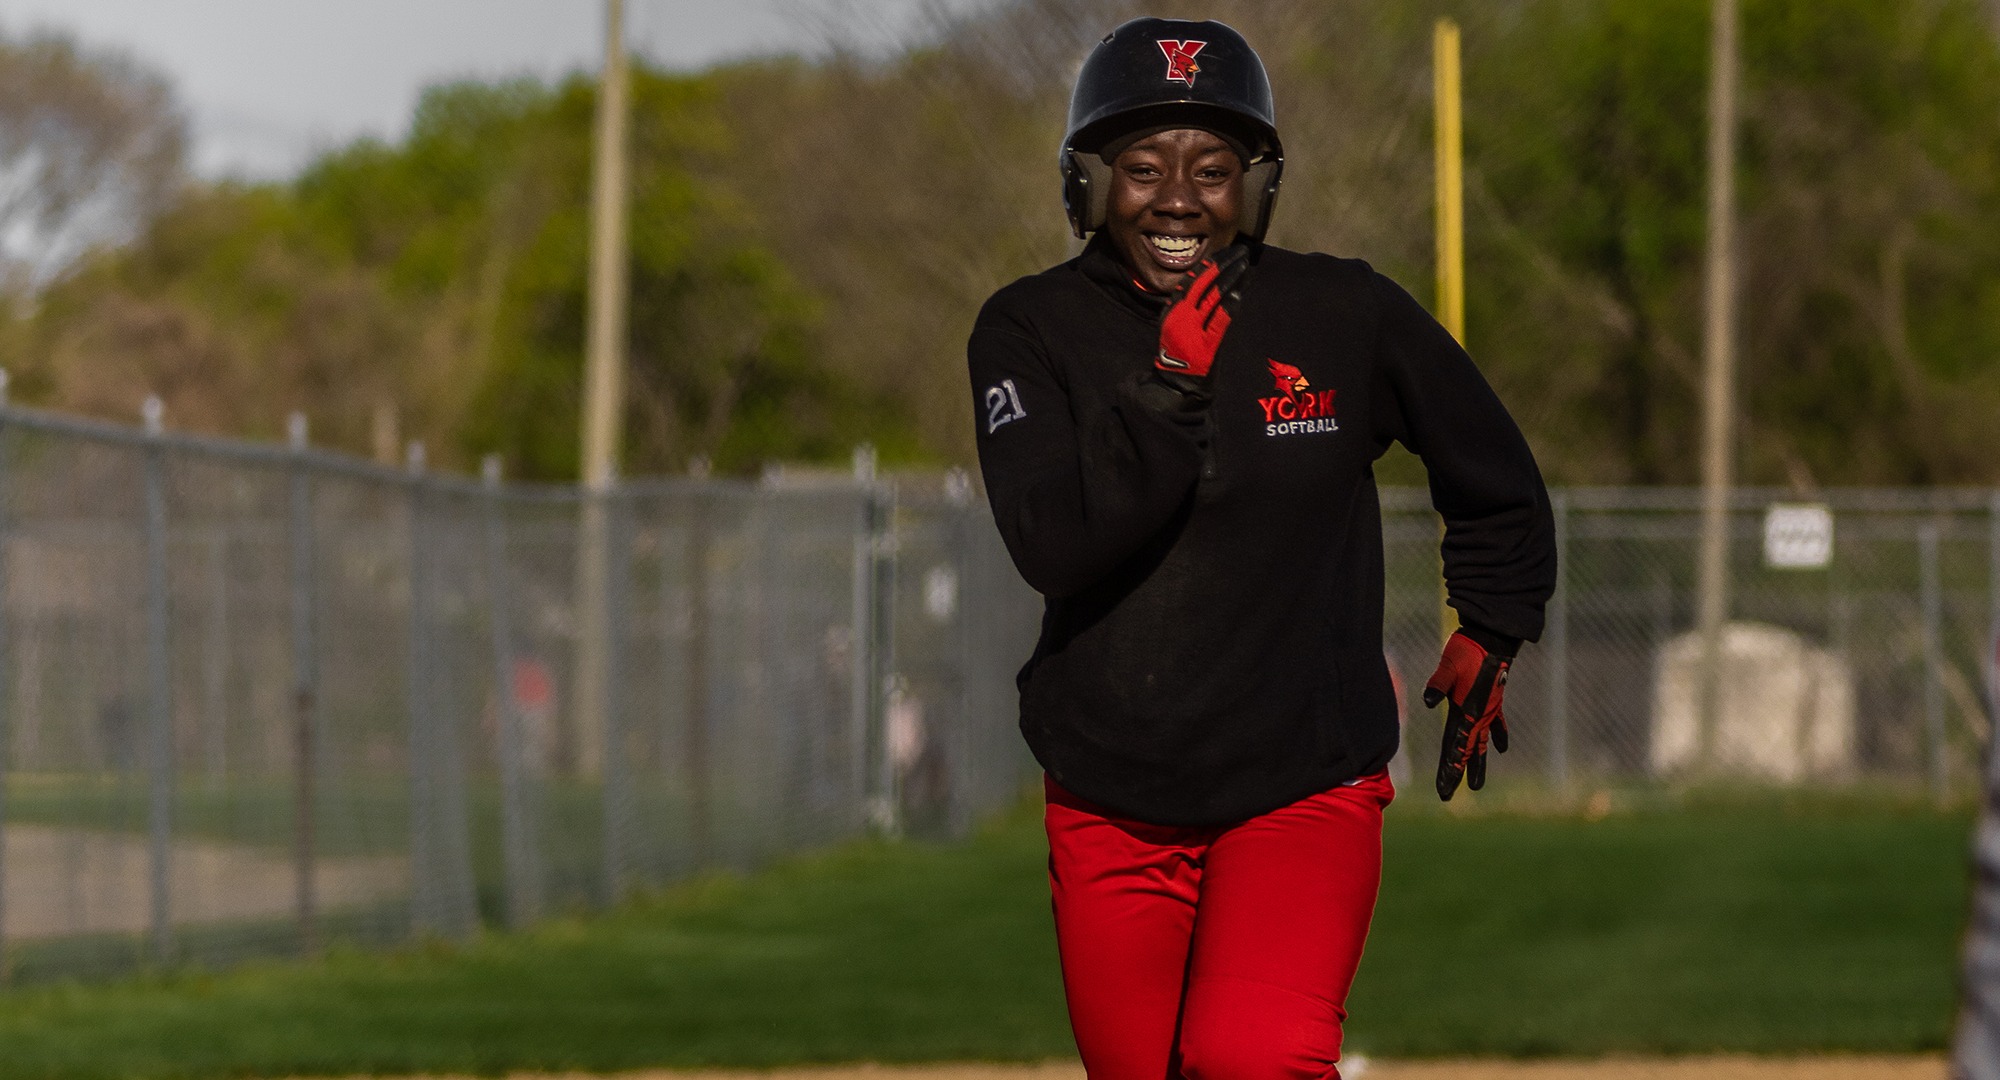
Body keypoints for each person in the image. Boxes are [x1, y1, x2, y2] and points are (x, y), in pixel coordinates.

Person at [966, 17, 1556, 1080]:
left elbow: (1491, 468)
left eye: (1215, 169)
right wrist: (1168, 388)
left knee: (1250, 1061)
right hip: (1110, 794)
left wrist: (1493, 620)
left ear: (1259, 185)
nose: (1179, 198)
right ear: (1087, 184)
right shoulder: (1027, 330)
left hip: (1301, 778)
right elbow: (1051, 541)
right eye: (1142, 168)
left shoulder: (1340, 312)